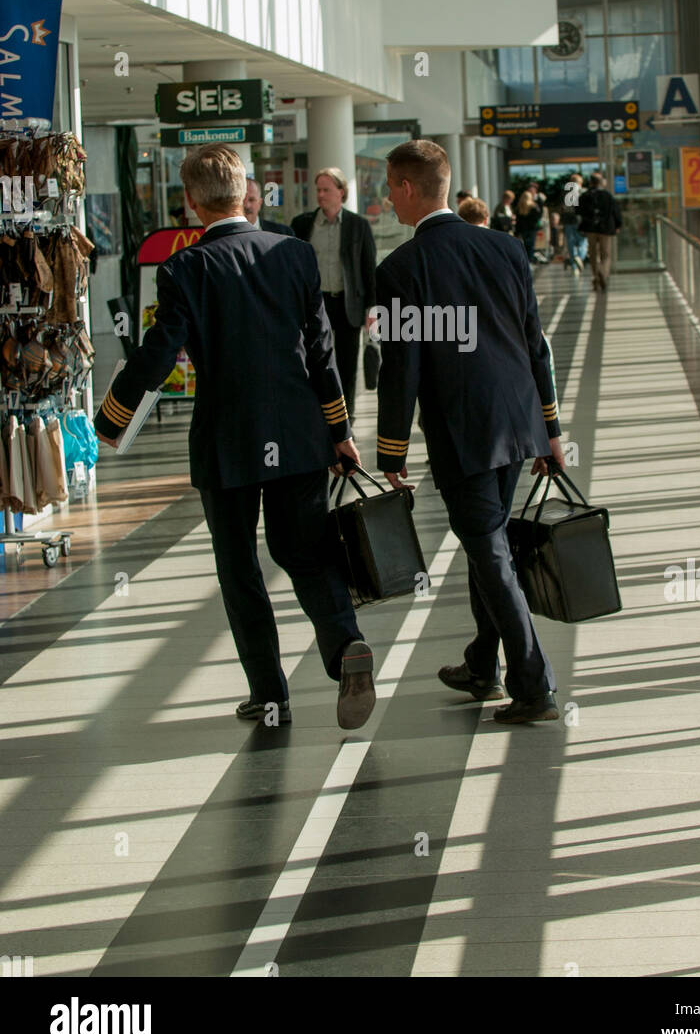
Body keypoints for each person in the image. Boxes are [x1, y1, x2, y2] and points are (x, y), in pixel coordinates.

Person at [93, 144, 375, 731]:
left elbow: (160, 354)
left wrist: (113, 418)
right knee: (304, 549)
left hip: (228, 441)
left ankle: (269, 693)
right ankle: (346, 642)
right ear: (246, 189)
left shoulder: (186, 269)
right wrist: (339, 431)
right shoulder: (294, 255)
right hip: (300, 435)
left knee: (239, 564)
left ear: (191, 202)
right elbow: (323, 352)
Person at [374, 139, 564, 724]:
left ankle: (534, 686)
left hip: (465, 435)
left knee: (489, 550)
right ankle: (483, 663)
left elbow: (400, 365)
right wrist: (551, 427)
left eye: (390, 186)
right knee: (491, 546)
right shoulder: (506, 249)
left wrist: (391, 448)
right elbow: (535, 342)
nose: (387, 197)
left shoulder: (402, 268)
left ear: (408, 189)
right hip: (518, 422)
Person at [292, 168, 377, 421]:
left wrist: (372, 312)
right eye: (317, 190)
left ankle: (347, 413)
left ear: (341, 192)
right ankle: (320, 410)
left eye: (326, 190)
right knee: (315, 359)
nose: (320, 195)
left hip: (348, 303)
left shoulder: (358, 225)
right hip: (315, 305)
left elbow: (368, 270)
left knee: (347, 364)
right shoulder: (302, 224)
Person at [578, 170, 622, 291]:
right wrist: (618, 224)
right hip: (606, 228)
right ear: (600, 183)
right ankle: (603, 271)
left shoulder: (585, 196)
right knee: (605, 254)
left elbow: (578, 211)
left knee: (593, 253)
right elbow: (615, 211)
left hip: (590, 228)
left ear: (590, 183)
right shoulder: (607, 196)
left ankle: (596, 276)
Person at [561, 172, 588, 273]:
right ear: (580, 182)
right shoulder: (582, 192)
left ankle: (574, 265)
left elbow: (563, 208)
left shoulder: (565, 193)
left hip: (568, 221)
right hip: (579, 220)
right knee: (582, 242)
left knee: (571, 243)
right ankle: (580, 258)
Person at [514, 182, 546, 264]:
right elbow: (539, 215)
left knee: (525, 245)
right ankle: (529, 261)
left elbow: (518, 220)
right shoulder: (534, 207)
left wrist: (517, 232)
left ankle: (526, 261)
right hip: (532, 228)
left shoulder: (519, 207)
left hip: (523, 229)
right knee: (530, 245)